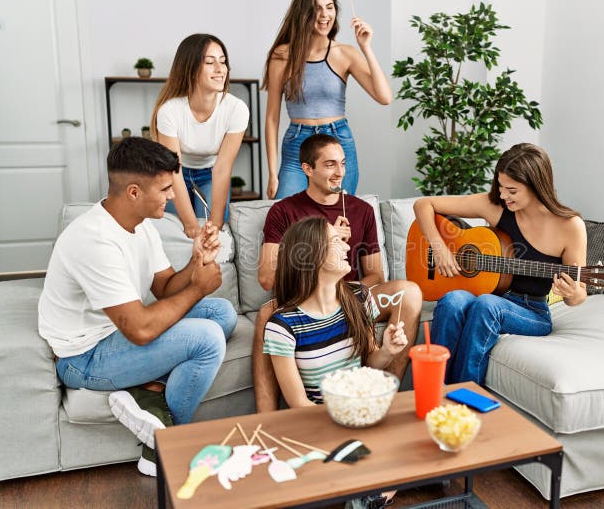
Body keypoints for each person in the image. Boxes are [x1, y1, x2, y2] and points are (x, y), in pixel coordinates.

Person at [38, 137, 237, 476]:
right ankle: (162, 446)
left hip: (117, 332)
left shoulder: (140, 225)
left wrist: (195, 261)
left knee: (222, 314)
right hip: (83, 356)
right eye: (164, 189)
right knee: (206, 338)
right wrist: (197, 289)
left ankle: (147, 387)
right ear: (133, 192)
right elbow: (141, 329)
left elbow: (164, 288)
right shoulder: (94, 240)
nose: (173, 196)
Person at [252, 133, 421, 412]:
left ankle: (383, 395)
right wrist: (321, 246)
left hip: (349, 294)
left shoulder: (362, 210)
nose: (340, 172)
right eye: (330, 164)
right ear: (308, 169)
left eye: (342, 163)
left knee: (411, 292)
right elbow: (267, 278)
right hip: (301, 297)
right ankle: (265, 417)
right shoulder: (283, 211)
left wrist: (342, 295)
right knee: (265, 315)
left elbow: (376, 275)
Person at [412, 143, 587, 385]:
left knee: (487, 305)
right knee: (453, 300)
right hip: (489, 294)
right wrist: (439, 248)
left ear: (536, 186)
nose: (503, 196)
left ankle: (464, 397)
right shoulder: (495, 206)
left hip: (531, 311)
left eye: (512, 190)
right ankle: (433, 388)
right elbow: (424, 205)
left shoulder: (570, 226)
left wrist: (572, 292)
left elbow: (578, 296)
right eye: (501, 187)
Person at [263, 0, 392, 199]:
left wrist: (366, 48)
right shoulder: (282, 56)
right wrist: (273, 173)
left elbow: (385, 97)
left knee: (337, 214)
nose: (324, 15)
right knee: (289, 218)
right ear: (304, 14)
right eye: (316, 9)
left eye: (329, 7)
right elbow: (272, 118)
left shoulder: (345, 53)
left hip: (338, 142)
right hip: (297, 146)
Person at [263, 217, 408, 406]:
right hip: (319, 421)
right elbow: (298, 403)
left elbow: (371, 363)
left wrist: (388, 350)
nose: (347, 248)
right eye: (336, 241)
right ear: (310, 255)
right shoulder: (282, 325)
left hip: (361, 410)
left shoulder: (360, 297)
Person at [151, 33, 249, 238]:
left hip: (211, 172)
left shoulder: (236, 109)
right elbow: (173, 169)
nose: (220, 69)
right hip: (174, 173)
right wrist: (190, 224)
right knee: (176, 233)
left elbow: (222, 168)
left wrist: (215, 225)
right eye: (210, 62)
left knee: (213, 230)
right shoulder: (169, 111)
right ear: (191, 68)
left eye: (223, 62)